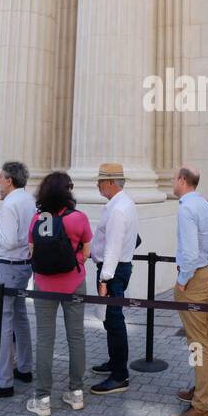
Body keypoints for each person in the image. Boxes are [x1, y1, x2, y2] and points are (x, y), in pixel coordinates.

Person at [26, 170, 92, 416]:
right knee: (76, 337)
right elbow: (85, 253)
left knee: (45, 339)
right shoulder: (79, 218)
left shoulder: (37, 219)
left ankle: (42, 398)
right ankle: (76, 393)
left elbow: (31, 250)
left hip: (44, 284)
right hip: (74, 282)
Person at [0, 161, 36, 397]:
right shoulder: (29, 199)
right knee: (20, 317)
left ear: (9, 179)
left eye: (0, 178)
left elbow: (9, 239)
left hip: (8, 265)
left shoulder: (11, 203)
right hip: (23, 265)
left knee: (2, 323)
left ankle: (3, 381)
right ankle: (24, 366)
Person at [171, 165, 208, 416]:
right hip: (205, 273)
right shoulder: (204, 204)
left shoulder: (187, 208)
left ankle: (200, 406)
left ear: (183, 180)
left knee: (197, 342)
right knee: (204, 338)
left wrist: (181, 281)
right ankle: (203, 392)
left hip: (194, 277)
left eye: (175, 179)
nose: (173, 183)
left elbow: (189, 253)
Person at [89, 162, 140, 396]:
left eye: (100, 181)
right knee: (111, 320)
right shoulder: (122, 203)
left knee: (114, 320)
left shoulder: (119, 208)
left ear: (110, 182)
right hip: (117, 268)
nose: (98, 185)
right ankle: (114, 363)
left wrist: (105, 278)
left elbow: (113, 246)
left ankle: (120, 375)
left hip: (113, 269)